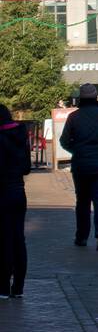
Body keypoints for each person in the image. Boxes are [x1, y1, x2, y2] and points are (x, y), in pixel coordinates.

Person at [60, 83, 98, 250]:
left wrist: (77, 150)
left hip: (81, 165)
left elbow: (64, 141)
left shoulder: (74, 117)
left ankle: (82, 237)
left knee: (83, 201)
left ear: (81, 98)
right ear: (95, 98)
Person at [0, 104, 32, 298]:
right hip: (18, 192)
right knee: (19, 239)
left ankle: (3, 286)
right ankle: (18, 287)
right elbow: (26, 167)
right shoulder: (21, 134)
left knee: (3, 240)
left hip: (1, 194)